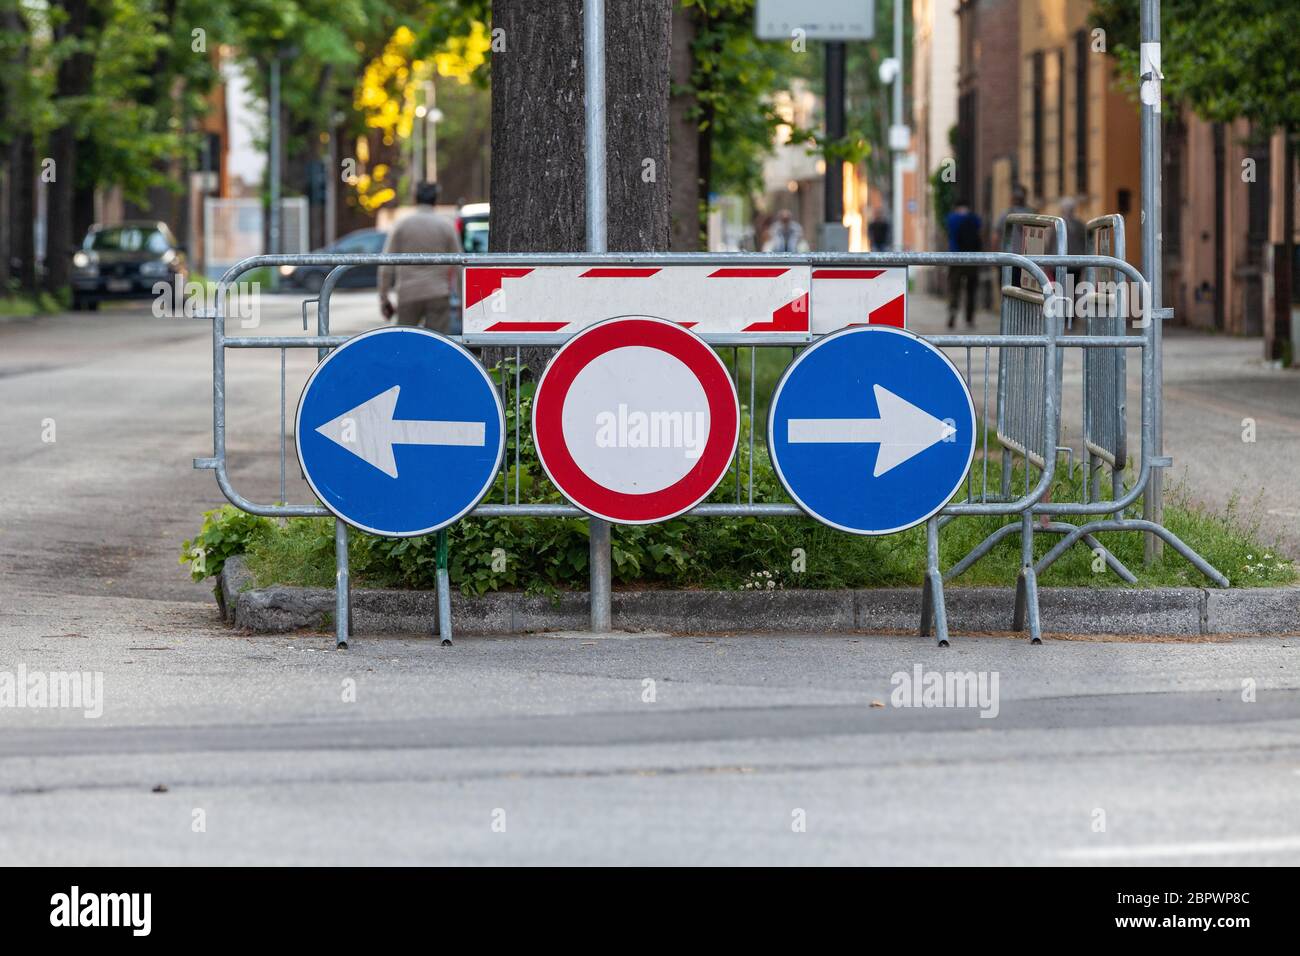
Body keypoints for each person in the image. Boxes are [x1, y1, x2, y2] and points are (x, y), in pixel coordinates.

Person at [378, 181, 461, 332]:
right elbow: (459, 264)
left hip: (408, 293)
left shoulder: (402, 225)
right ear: (436, 199)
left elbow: (386, 264)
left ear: (415, 198)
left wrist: (384, 298)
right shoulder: (446, 226)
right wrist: (462, 300)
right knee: (437, 345)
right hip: (438, 292)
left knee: (404, 344)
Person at [945, 197, 982, 328]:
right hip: (972, 259)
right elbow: (979, 228)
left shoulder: (952, 218)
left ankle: (952, 315)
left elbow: (949, 232)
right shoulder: (974, 218)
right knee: (971, 290)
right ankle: (969, 319)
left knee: (954, 289)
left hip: (955, 259)